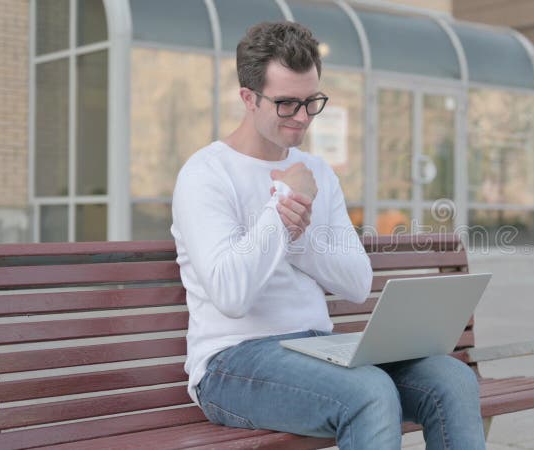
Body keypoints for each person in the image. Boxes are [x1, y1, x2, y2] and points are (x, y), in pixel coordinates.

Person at [171, 21, 485, 450]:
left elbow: (356, 282)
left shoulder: (317, 172)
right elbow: (230, 295)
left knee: (452, 378)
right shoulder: (206, 174)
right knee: (369, 391)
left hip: (320, 349)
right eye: (285, 104)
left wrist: (299, 238)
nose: (301, 118)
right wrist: (284, 206)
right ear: (248, 98)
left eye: (310, 102)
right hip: (233, 362)